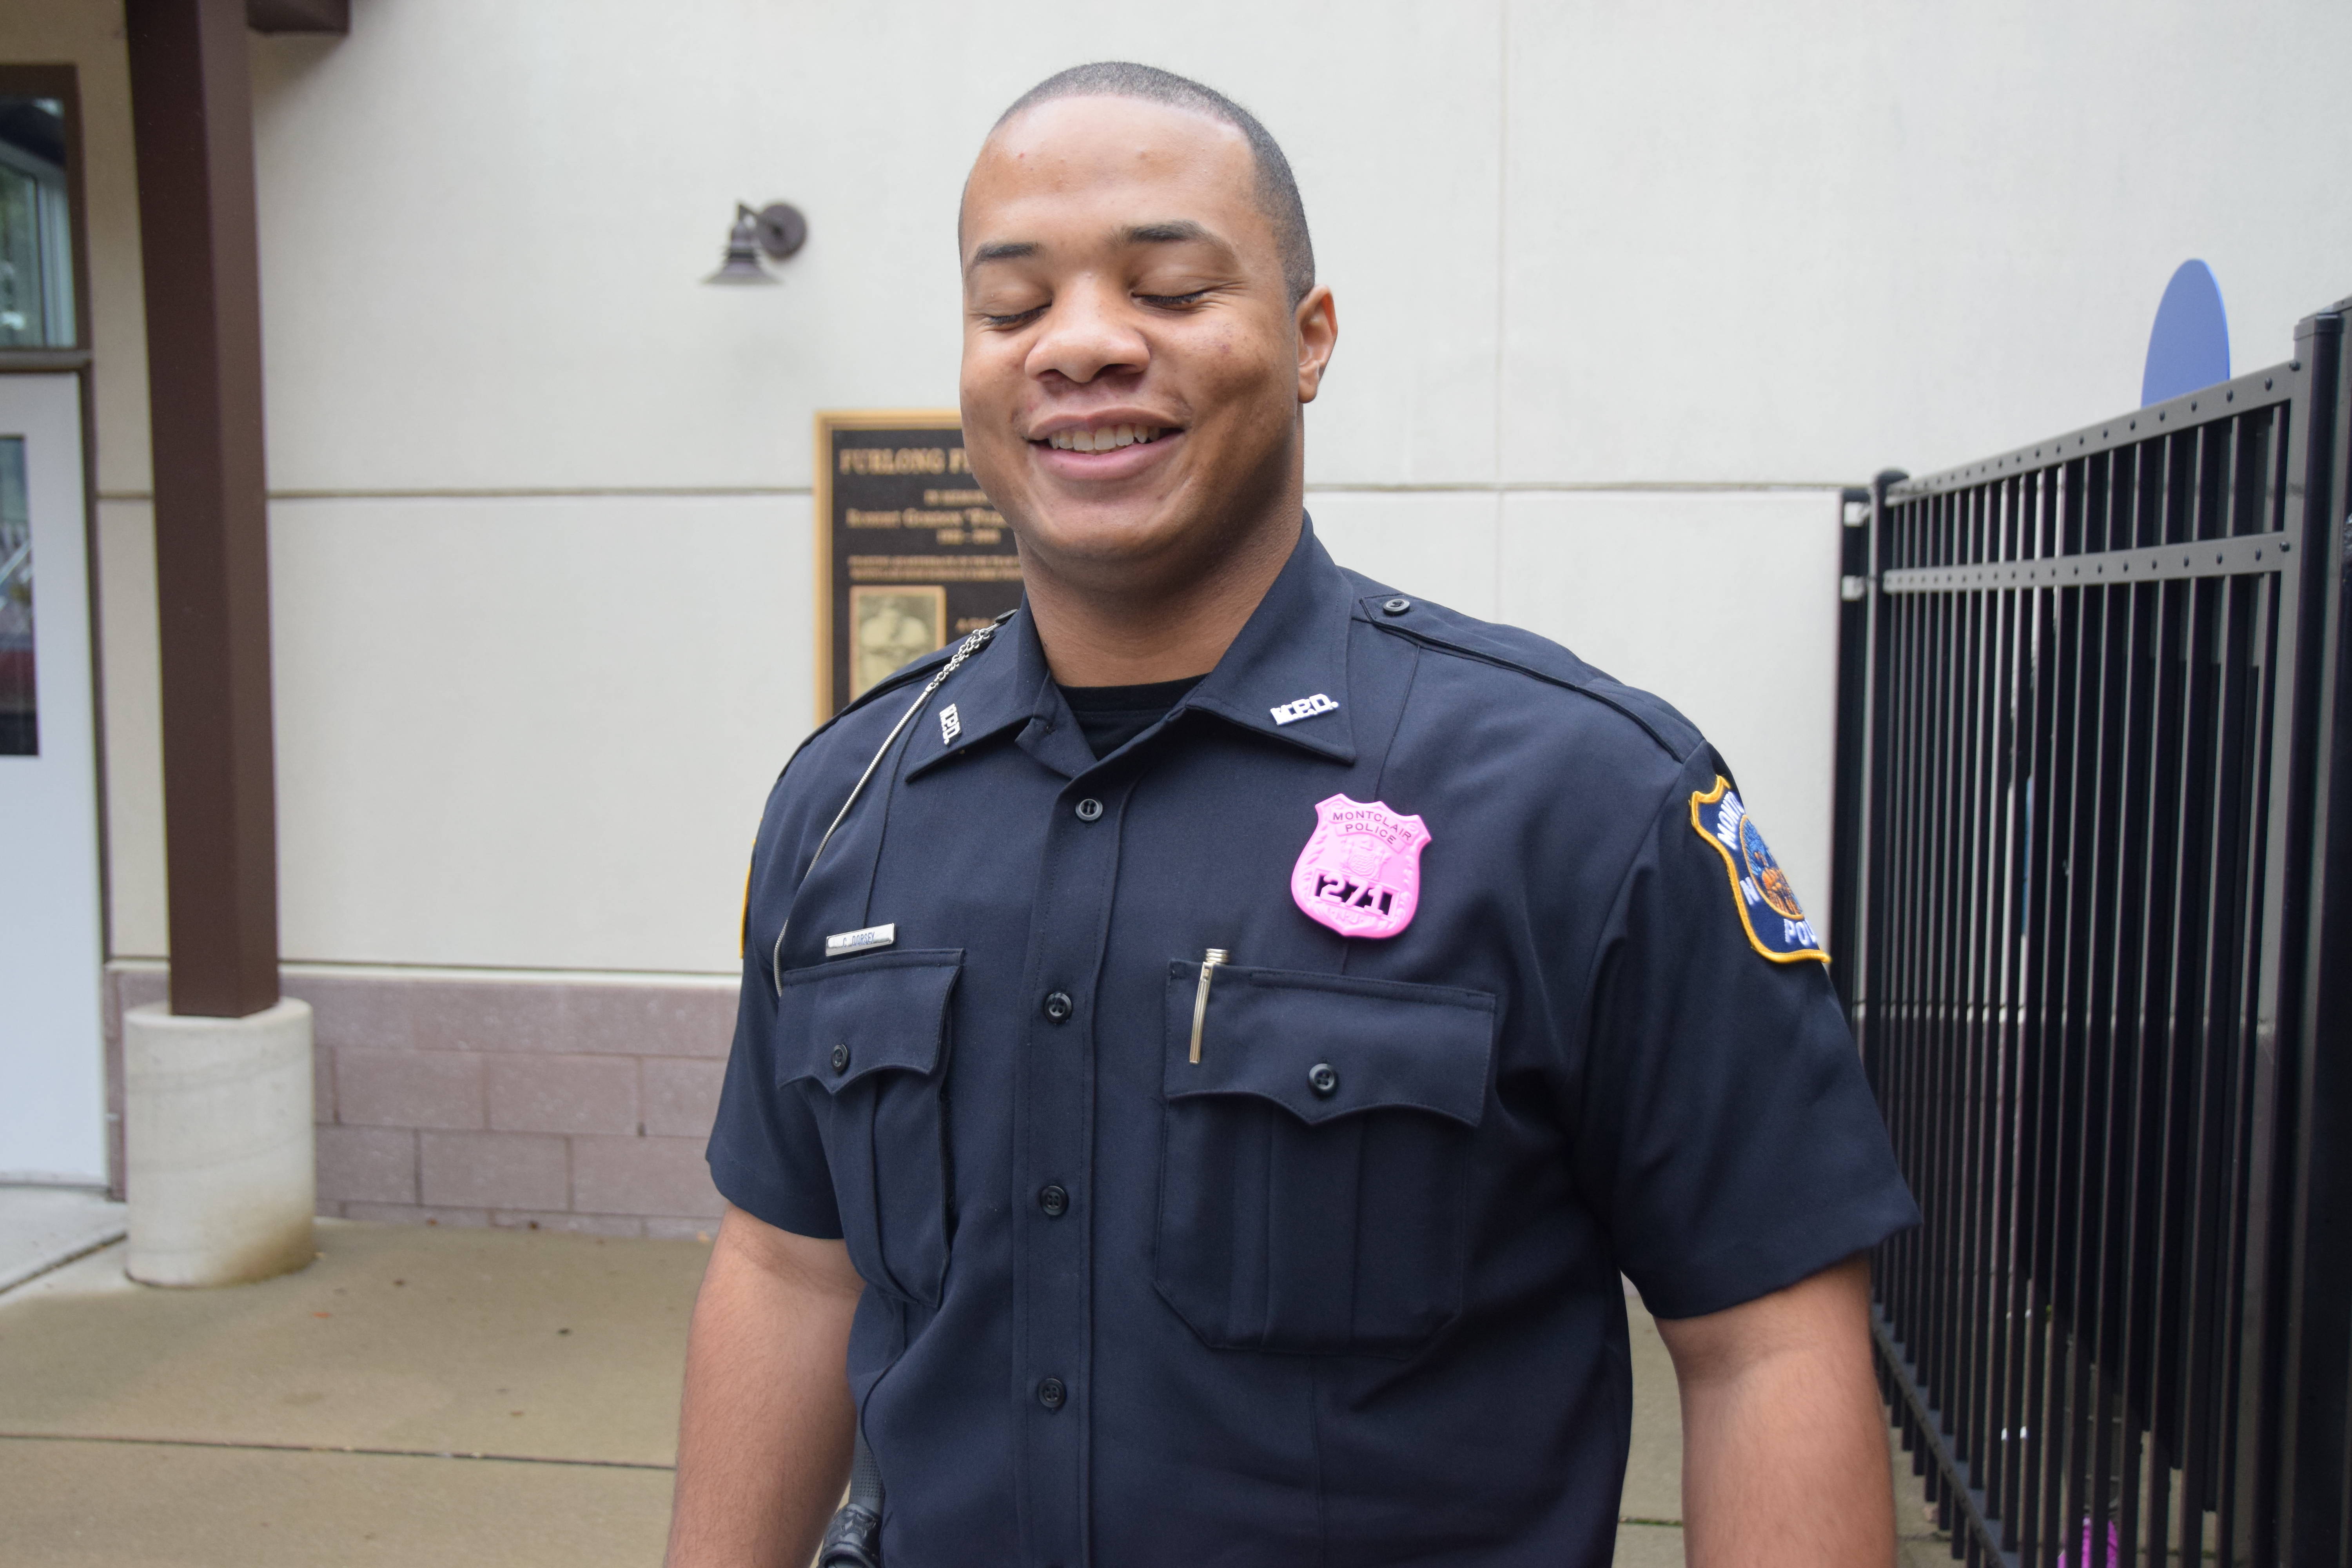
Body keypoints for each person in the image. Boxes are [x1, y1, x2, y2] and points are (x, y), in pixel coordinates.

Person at [666, 61, 1917, 1568]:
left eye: (1172, 288)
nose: (1082, 345)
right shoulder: (846, 803)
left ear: (1310, 338)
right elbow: (791, 1274)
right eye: (1013, 309)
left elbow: (1765, 1348)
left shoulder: (1585, 801)